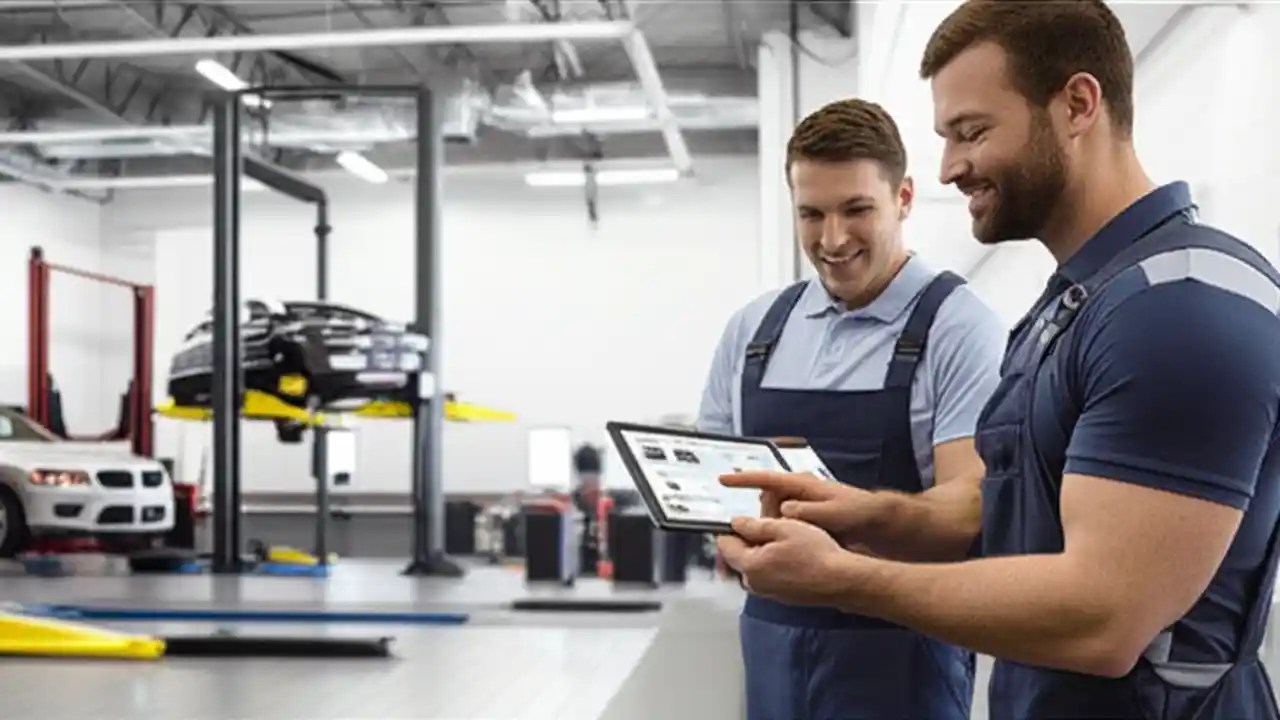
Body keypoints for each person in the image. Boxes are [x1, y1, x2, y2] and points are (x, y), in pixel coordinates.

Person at [715, 2, 1280, 719]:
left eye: (972, 132)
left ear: (1077, 104)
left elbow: (1102, 617)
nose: (951, 169)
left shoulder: (1182, 309)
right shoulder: (1071, 309)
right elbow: (1008, 513)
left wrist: (843, 578)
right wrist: (865, 514)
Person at [696, 98, 1006, 720]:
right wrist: (731, 546)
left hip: (902, 656)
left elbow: (969, 510)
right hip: (771, 649)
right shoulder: (754, 330)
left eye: (856, 209)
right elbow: (711, 488)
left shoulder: (961, 329)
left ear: (905, 198)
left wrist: (840, 563)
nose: (832, 239)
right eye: (811, 213)